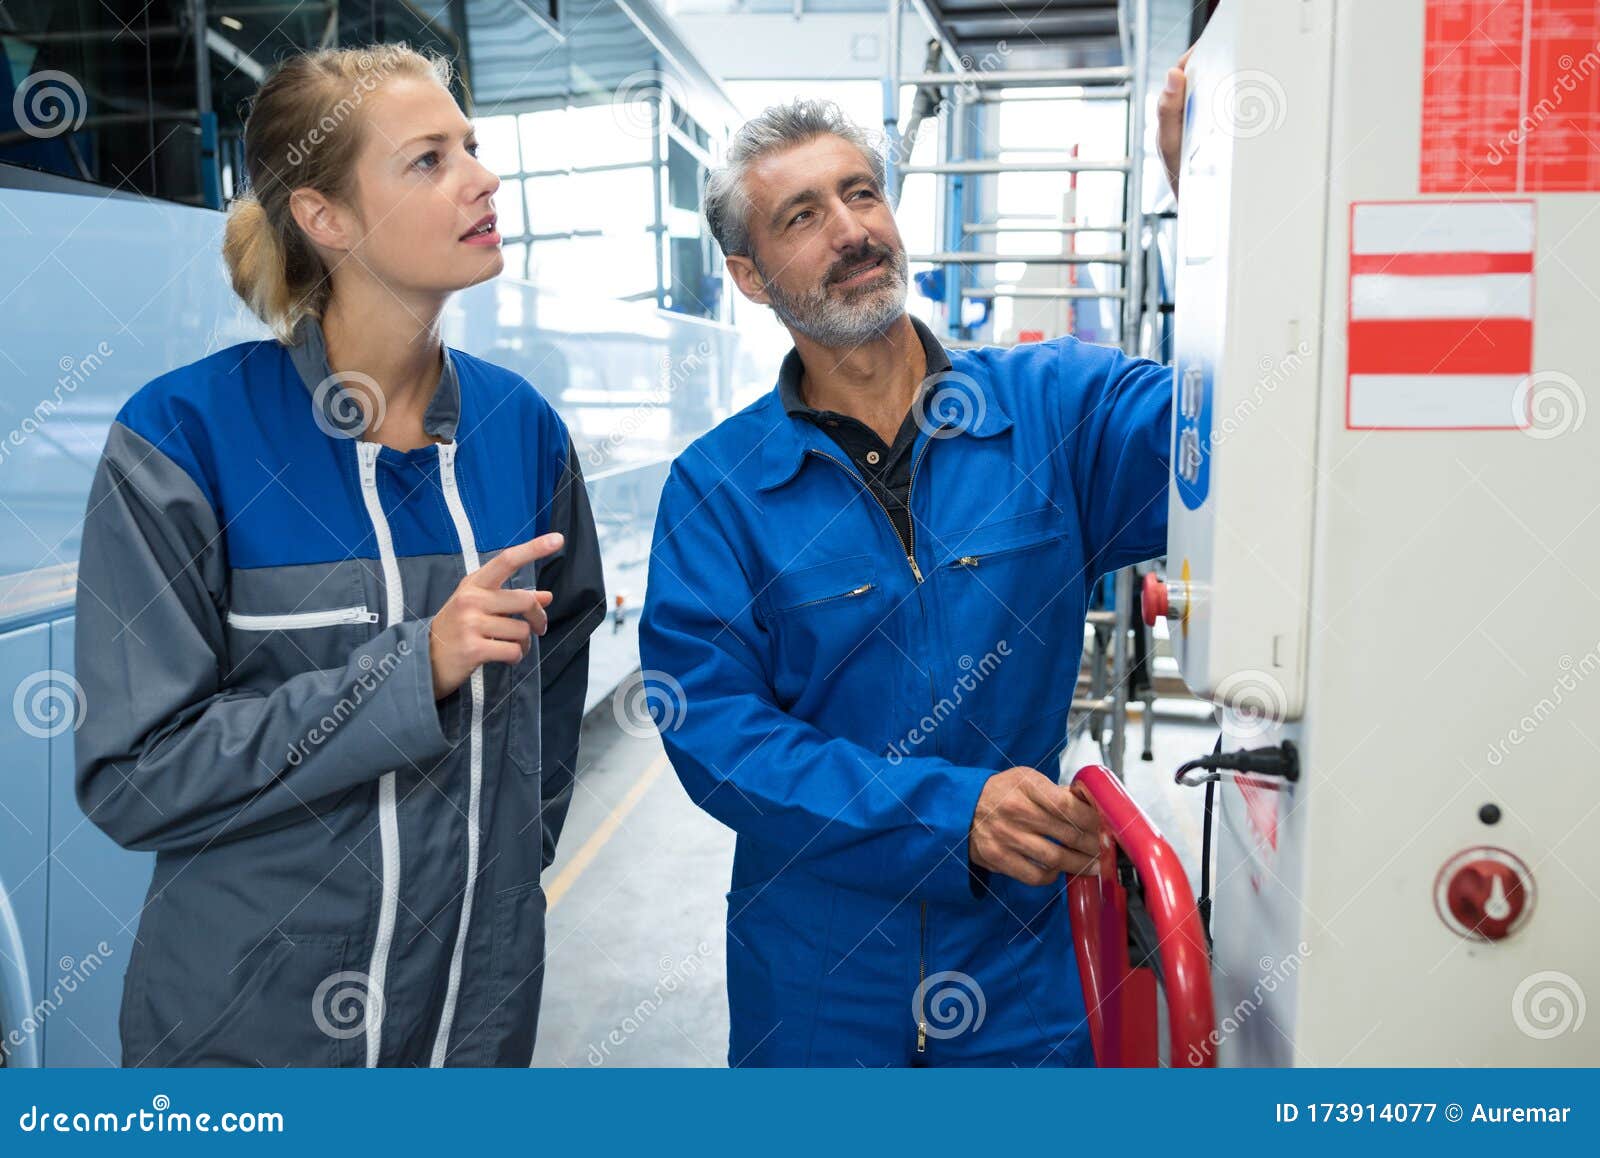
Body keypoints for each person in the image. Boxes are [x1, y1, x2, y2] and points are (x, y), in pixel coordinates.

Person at [72, 44, 605, 1067]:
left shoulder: (521, 428)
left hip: (474, 1019)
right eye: (429, 160)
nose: (483, 179)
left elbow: (559, 673)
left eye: (472, 147)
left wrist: (508, 867)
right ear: (326, 217)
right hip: (251, 1034)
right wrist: (415, 671)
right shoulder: (184, 438)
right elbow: (136, 777)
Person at [638, 77, 1186, 1067]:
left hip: (1021, 963)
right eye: (802, 215)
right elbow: (713, 731)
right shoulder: (719, 487)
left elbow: (1231, 421)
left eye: (862, 194)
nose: (851, 230)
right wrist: (950, 815)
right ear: (750, 277)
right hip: (817, 976)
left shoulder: (1056, 410)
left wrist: (1210, 209)